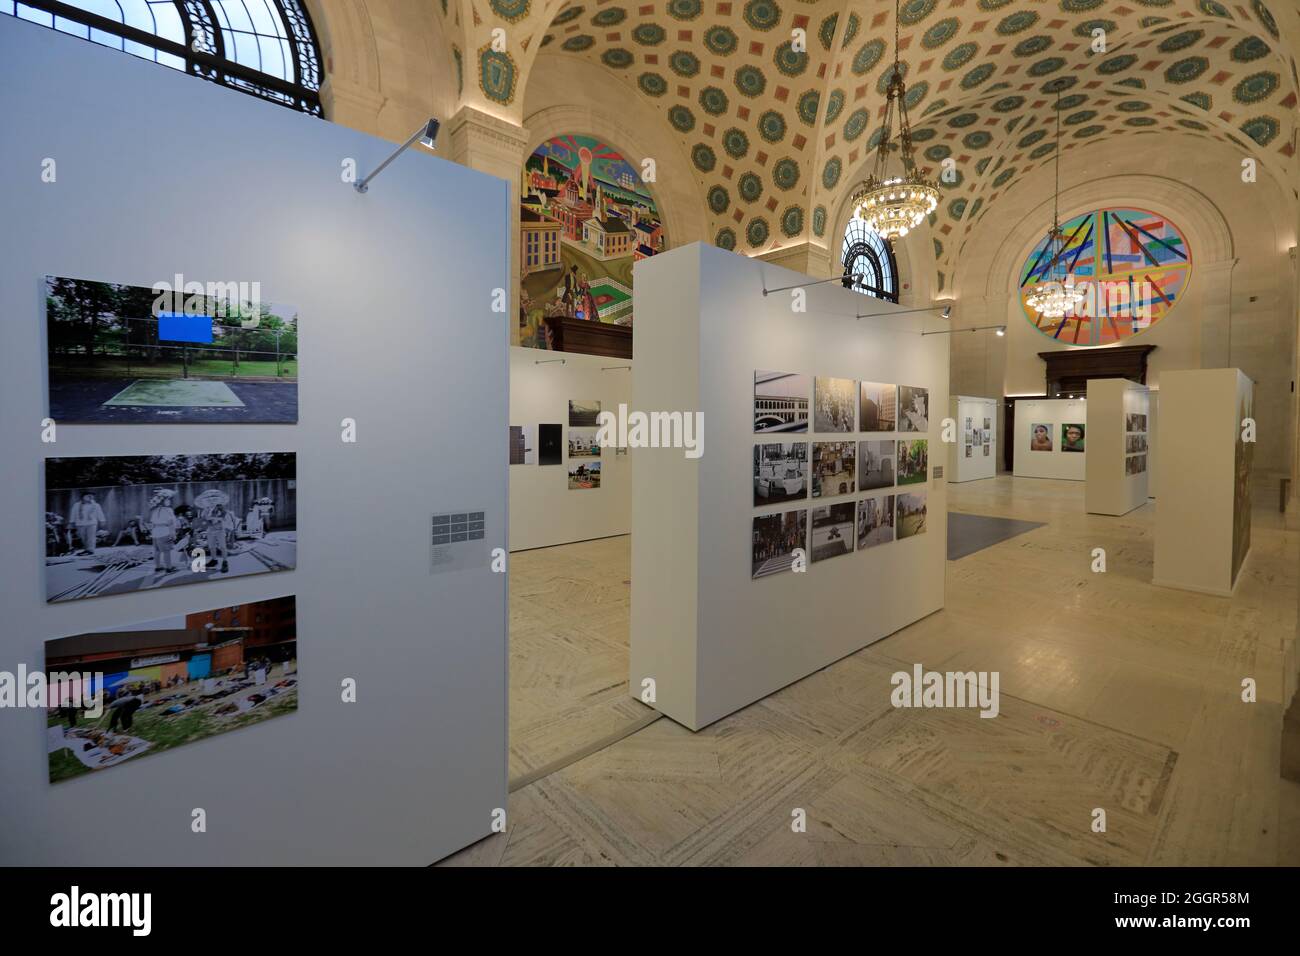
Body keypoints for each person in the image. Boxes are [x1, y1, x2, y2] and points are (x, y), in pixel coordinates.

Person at [146, 490, 180, 574]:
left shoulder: (154, 510)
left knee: (157, 550)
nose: (170, 501)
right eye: (169, 499)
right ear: (165, 500)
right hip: (164, 531)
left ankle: (158, 566)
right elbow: (171, 523)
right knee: (166, 551)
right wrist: (173, 534)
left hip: (155, 532)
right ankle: (169, 568)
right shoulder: (168, 510)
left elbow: (152, 522)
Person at [204, 503, 234, 573]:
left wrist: (212, 517)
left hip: (220, 531)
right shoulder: (208, 509)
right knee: (211, 546)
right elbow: (206, 519)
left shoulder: (223, 510)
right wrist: (207, 512)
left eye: (218, 504)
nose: (216, 505)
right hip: (210, 531)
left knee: (222, 547)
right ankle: (214, 560)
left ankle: (225, 562)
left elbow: (222, 519)